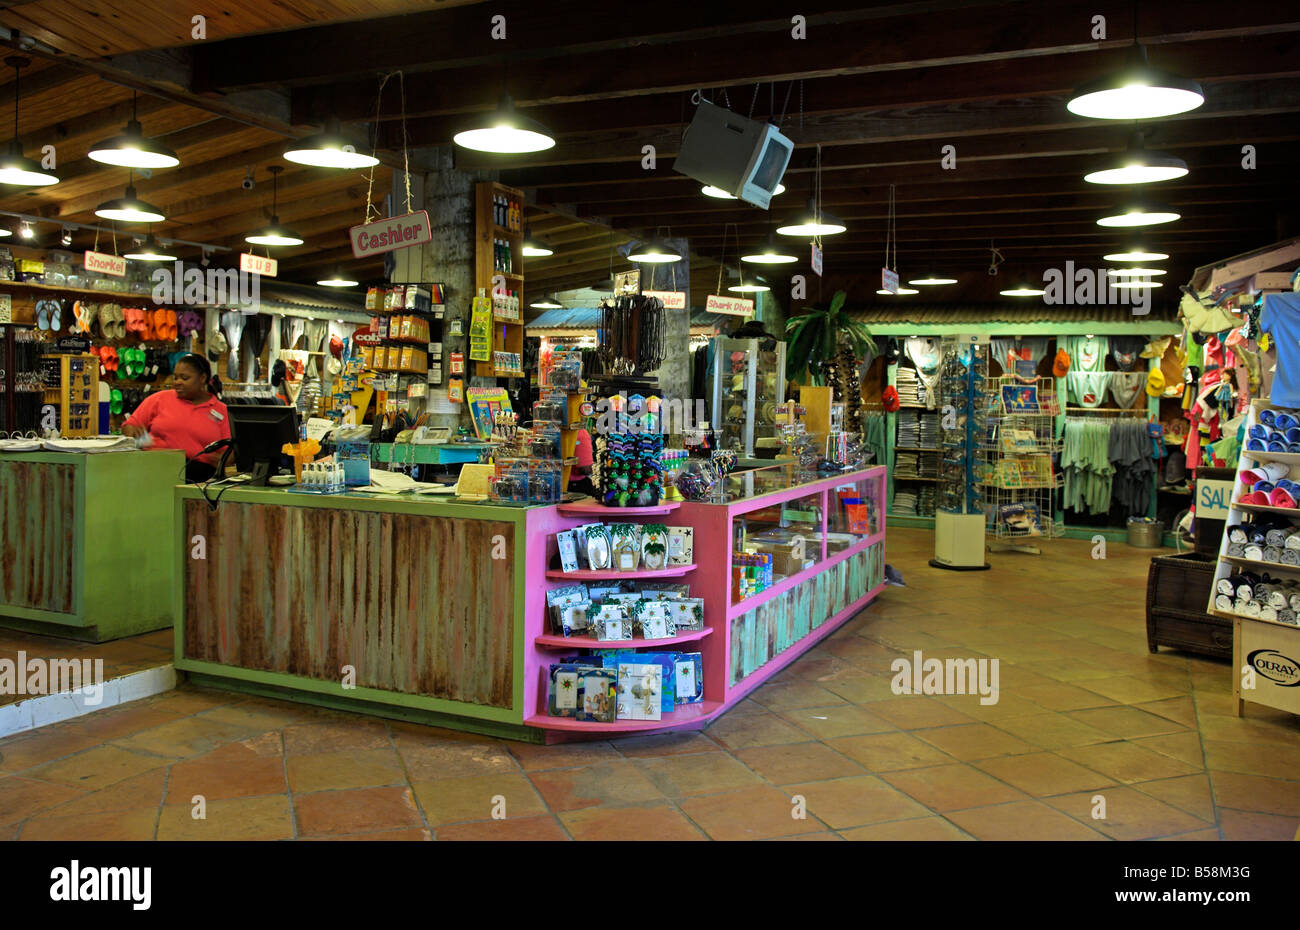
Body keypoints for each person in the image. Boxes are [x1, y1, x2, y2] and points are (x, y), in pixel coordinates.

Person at [121, 353, 230, 482]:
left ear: (202, 378)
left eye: (184, 378)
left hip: (199, 478)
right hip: (152, 470)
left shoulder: (221, 410)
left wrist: (222, 460)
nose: (177, 382)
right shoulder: (159, 399)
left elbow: (230, 451)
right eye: (175, 377)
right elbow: (129, 426)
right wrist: (133, 432)